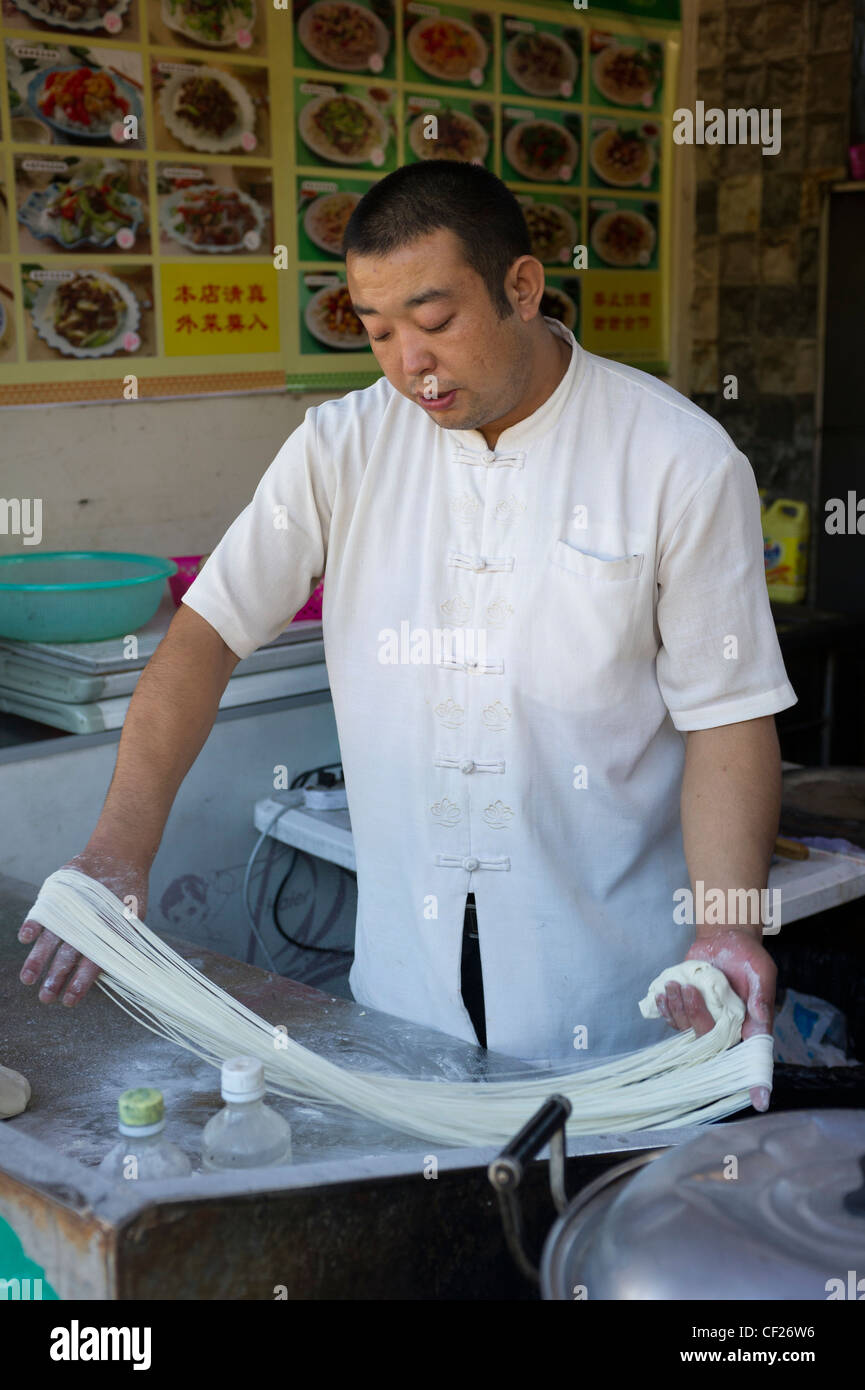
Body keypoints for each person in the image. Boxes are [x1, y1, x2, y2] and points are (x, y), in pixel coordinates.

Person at [19, 162, 796, 1107]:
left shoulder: (675, 459)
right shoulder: (340, 448)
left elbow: (728, 715)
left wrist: (726, 926)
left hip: (616, 990)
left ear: (521, 286)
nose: (406, 364)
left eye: (433, 324)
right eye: (377, 332)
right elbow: (205, 634)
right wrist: (117, 851)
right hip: (403, 993)